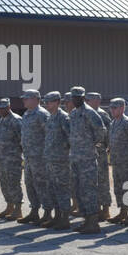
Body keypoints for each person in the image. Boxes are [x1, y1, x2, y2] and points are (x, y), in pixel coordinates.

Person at [68, 87, 106, 234]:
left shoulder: (90, 113)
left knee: (89, 190)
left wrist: (90, 144)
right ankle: (86, 220)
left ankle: (93, 223)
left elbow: (101, 132)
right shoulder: (74, 113)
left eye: (78, 97)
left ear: (83, 98)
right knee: (78, 190)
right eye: (74, 97)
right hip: (76, 158)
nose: (75, 100)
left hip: (87, 158)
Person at [16, 90, 50, 224]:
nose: (24, 101)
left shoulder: (42, 114)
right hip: (29, 157)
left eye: (26, 98)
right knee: (30, 184)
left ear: (36, 99)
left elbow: (49, 134)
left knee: (42, 184)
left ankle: (47, 212)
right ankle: (34, 211)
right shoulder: (26, 114)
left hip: (40, 157)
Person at [40, 92, 73, 229]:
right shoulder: (50, 118)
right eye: (46, 102)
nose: (46, 104)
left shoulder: (63, 118)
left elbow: (70, 137)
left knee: (62, 189)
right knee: (53, 189)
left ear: (57, 102)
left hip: (61, 161)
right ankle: (57, 216)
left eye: (49, 102)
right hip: (50, 160)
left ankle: (65, 219)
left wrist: (64, 153)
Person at [106, 98, 128, 225]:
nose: (112, 110)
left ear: (122, 108)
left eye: (115, 108)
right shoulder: (113, 123)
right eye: (111, 108)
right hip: (117, 162)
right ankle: (123, 212)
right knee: (119, 188)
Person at [0, 97, 23, 221]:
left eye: (2, 108)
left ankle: (18, 209)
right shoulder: (2, 120)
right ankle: (9, 206)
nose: (0, 111)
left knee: (13, 183)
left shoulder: (16, 120)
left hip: (12, 159)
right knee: (4, 183)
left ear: (8, 107)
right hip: (2, 159)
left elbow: (23, 139)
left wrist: (19, 155)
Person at [87, 93, 112, 219]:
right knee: (93, 181)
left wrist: (106, 147)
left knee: (102, 181)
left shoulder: (102, 114)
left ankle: (105, 209)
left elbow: (108, 133)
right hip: (90, 152)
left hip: (100, 152)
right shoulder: (87, 113)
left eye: (89, 100)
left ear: (97, 101)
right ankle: (96, 208)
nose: (87, 102)